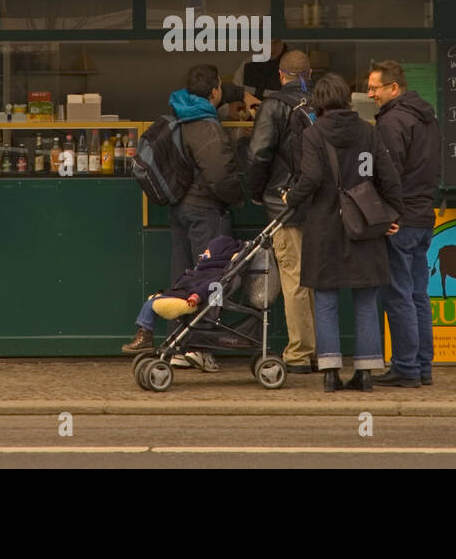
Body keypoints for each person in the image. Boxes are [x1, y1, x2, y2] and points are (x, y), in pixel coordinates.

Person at [284, 73, 402, 393]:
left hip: (325, 225)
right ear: (348, 99)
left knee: (325, 299)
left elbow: (309, 179)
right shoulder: (369, 131)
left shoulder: (314, 134)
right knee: (365, 298)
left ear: (320, 101)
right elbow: (388, 176)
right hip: (364, 224)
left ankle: (330, 371)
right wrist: (392, 213)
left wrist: (290, 197)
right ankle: (365, 371)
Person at [165, 64, 244, 371]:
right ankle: (199, 344)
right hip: (204, 210)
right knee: (210, 277)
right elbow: (220, 176)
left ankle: (177, 343)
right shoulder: (206, 126)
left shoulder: (178, 113)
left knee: (183, 275)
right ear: (214, 92)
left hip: (179, 206)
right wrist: (237, 196)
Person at [369, 60, 441, 388]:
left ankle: (406, 368)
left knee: (398, 295)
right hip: (424, 216)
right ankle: (423, 366)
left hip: (402, 220)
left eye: (375, 88)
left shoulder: (391, 122)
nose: (370, 94)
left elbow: (390, 174)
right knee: (417, 295)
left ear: (394, 88)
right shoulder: (427, 117)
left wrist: (388, 215)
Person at [245, 49, 317, 373]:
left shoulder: (273, 105)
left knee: (294, 279)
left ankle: (299, 353)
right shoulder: (322, 103)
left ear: (280, 75)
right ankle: (318, 350)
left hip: (285, 204)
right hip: (321, 204)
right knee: (316, 280)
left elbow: (259, 154)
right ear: (310, 73)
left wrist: (257, 194)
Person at [122, 235, 242, 355]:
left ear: (217, 254)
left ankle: (145, 337)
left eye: (207, 252)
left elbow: (209, 286)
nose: (203, 255)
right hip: (183, 293)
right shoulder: (203, 269)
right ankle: (146, 335)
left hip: (190, 297)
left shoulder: (215, 272)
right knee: (151, 302)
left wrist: (197, 295)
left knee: (151, 304)